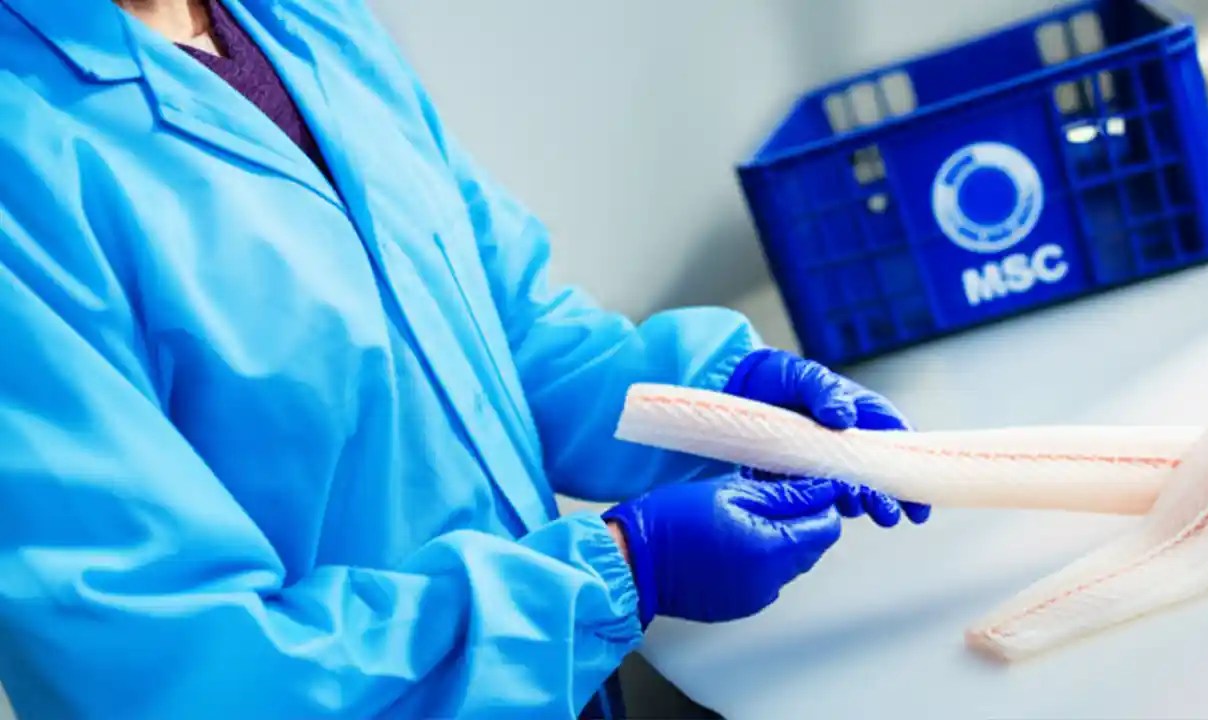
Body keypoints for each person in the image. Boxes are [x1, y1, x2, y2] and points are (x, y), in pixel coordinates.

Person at [0, 1, 929, 717]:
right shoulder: (23, 165)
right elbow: (172, 669)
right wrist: (617, 570)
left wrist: (726, 399)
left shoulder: (301, 21)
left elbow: (510, 324)